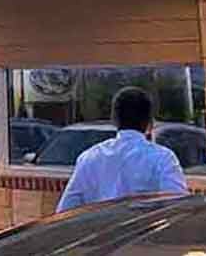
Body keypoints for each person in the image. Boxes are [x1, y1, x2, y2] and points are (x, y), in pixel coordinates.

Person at [56, 86, 188, 212]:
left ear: (114, 120)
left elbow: (65, 211)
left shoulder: (89, 158)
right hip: (146, 234)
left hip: (99, 233)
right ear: (150, 122)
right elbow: (178, 208)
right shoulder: (163, 158)